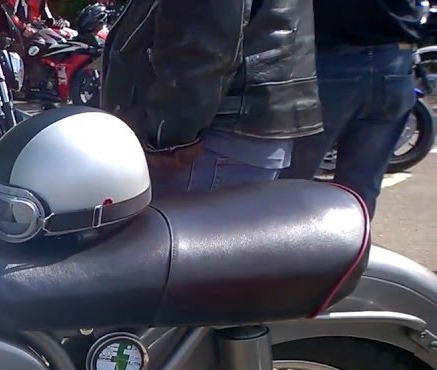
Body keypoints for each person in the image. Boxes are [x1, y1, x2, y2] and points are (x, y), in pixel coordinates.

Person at [102, 0, 322, 200]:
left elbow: (202, 43)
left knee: (171, 238)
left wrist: (167, 138)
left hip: (210, 132)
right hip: (242, 121)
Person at [281, 0, 425, 217]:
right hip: (394, 58)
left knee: (286, 188)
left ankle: (287, 247)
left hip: (329, 57)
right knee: (360, 193)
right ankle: (350, 249)